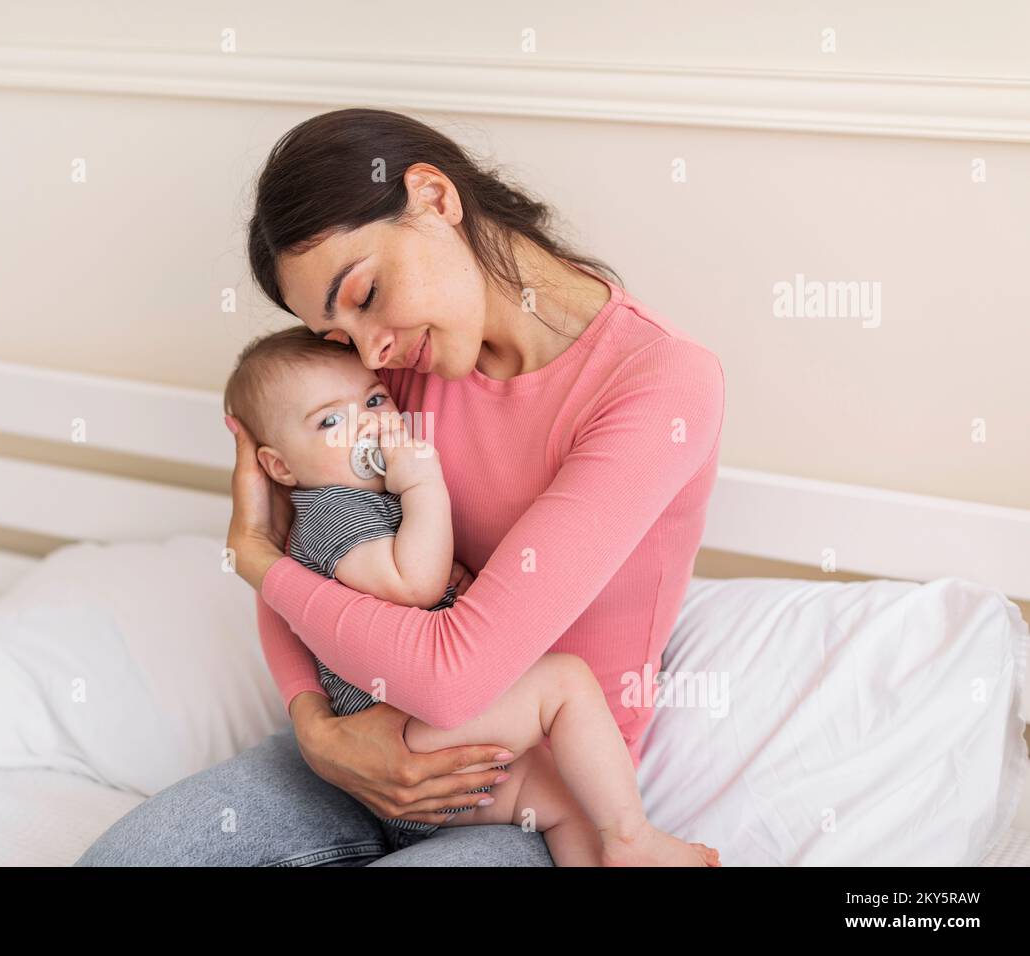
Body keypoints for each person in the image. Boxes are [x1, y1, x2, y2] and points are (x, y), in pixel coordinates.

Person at [76, 107, 725, 866]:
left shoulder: (657, 385)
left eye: (367, 292)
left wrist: (259, 563)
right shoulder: (391, 377)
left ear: (434, 198)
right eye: (339, 336)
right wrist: (318, 730)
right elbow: (306, 554)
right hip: (351, 750)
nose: (371, 348)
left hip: (527, 787)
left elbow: (452, 677)